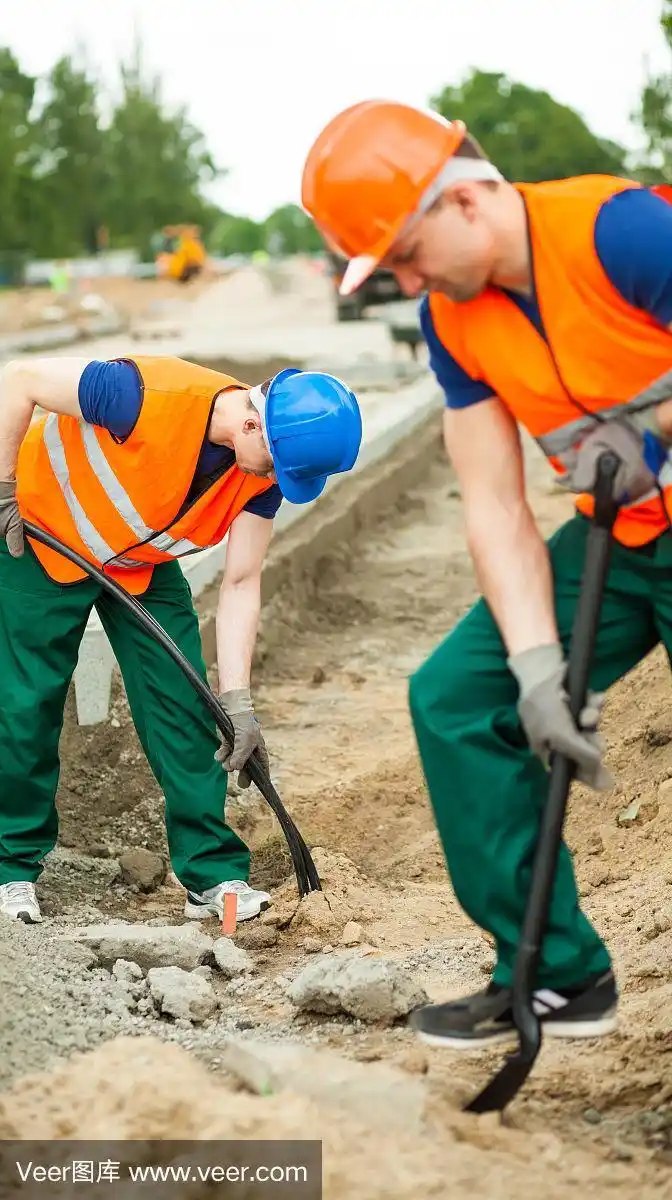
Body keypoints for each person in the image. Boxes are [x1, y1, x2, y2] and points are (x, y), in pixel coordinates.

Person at [301, 100, 672, 1048]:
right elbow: (494, 505)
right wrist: (539, 670)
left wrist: (654, 433)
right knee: (459, 698)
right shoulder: (453, 319)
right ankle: (554, 975)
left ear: (465, 200)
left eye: (405, 254)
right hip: (627, 540)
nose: (406, 280)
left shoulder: (622, 232)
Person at [0, 354, 362, 925]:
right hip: (39, 536)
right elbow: (20, 379)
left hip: (139, 562)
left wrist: (238, 701)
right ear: (253, 424)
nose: (276, 479)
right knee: (26, 703)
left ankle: (211, 874)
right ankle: (13, 869)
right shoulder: (138, 395)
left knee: (183, 703)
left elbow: (242, 581)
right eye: (277, 466)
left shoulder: (261, 476)